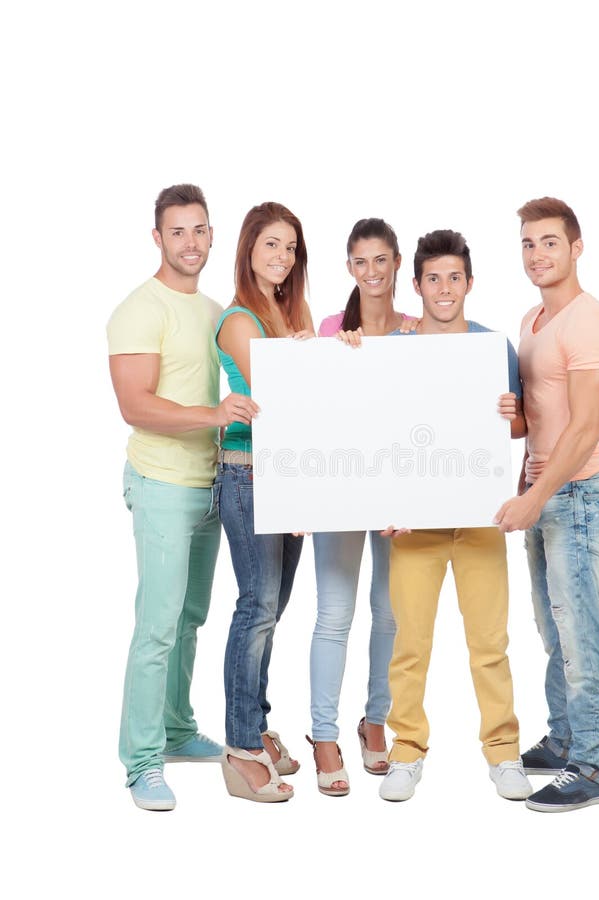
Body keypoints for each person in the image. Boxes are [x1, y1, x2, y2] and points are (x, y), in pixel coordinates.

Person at [108, 184, 254, 811]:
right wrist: (215, 414)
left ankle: (174, 730)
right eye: (178, 232)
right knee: (157, 628)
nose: (190, 243)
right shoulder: (139, 309)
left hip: (212, 487)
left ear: (212, 236)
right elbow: (134, 405)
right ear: (157, 237)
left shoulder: (216, 309)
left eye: (200, 230)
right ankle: (141, 761)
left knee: (191, 619)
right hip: (163, 485)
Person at [377, 229, 533, 803]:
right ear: (416, 285)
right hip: (414, 523)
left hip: (479, 517)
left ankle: (503, 751)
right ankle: (406, 751)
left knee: (489, 642)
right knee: (410, 643)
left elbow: (518, 431)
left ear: (470, 283)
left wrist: (512, 414)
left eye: (455, 277)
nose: (445, 288)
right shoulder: (394, 348)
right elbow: (377, 433)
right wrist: (383, 504)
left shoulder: (494, 348)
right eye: (433, 278)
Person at [494, 197, 599, 813]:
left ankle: (592, 766)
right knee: (552, 627)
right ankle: (566, 734)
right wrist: (511, 421)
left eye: (549, 242)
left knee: (579, 629)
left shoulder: (588, 321)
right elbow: (540, 421)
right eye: (527, 243)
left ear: (575, 247)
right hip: (543, 491)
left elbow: (585, 426)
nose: (537, 254)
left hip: (576, 494)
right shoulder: (532, 321)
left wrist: (536, 496)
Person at [216, 201, 314, 803]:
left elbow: (309, 399)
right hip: (249, 472)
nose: (282, 256)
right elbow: (284, 397)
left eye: (291, 246)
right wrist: (310, 359)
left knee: (272, 609)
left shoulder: (286, 311)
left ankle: (255, 720)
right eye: (271, 244)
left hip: (287, 472)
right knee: (255, 606)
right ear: (249, 247)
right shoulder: (240, 319)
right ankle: (239, 746)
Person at [307, 218, 408, 796]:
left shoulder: (417, 332)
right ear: (349, 268)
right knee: (334, 613)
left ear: (397, 265)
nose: (371, 272)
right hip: (340, 486)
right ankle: (323, 735)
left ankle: (375, 722)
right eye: (360, 262)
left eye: (381, 261)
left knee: (388, 612)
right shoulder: (328, 328)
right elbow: (309, 405)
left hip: (396, 489)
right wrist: (320, 353)